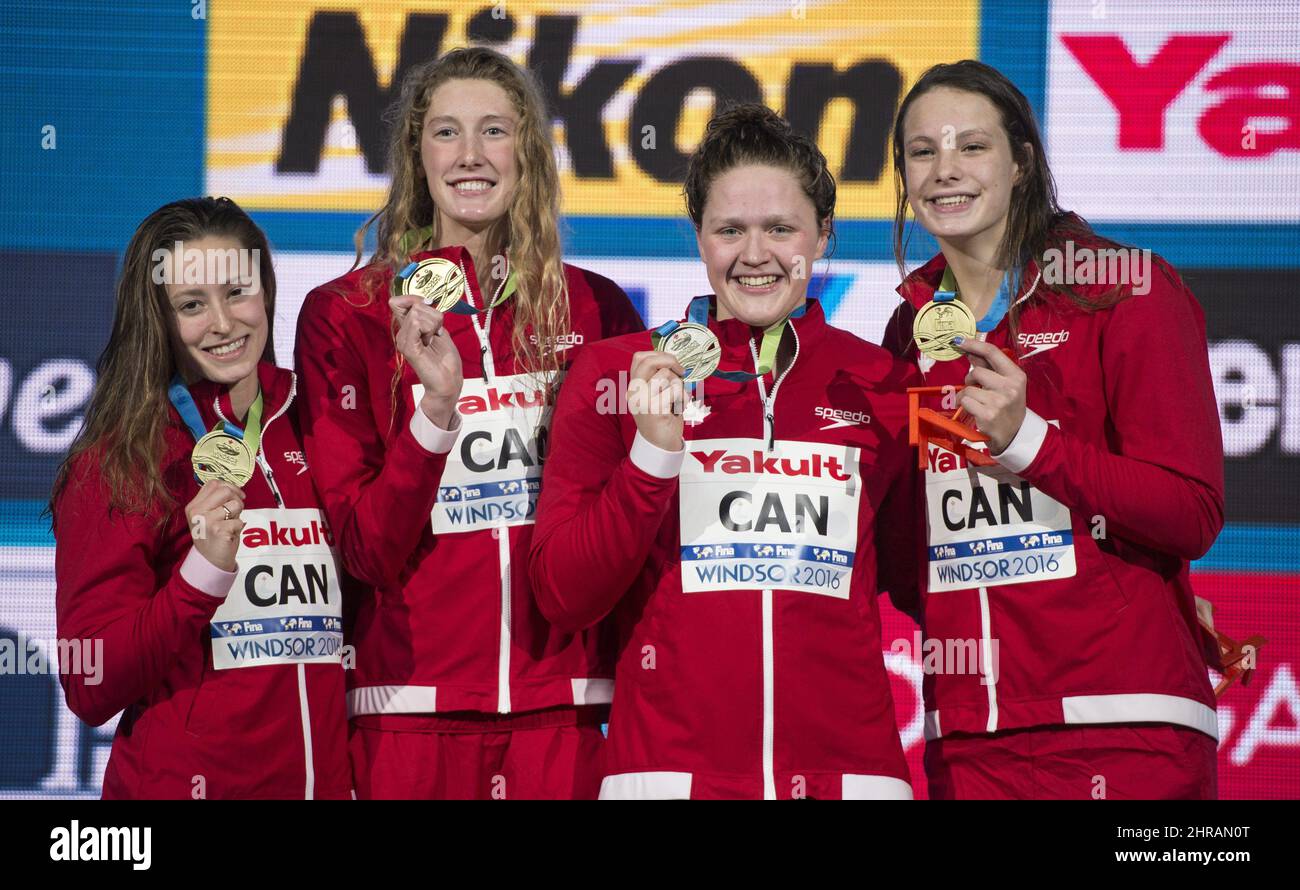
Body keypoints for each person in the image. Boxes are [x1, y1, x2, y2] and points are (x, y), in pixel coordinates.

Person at [530, 104, 921, 800]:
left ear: (823, 235)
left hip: (852, 780)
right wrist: (653, 456)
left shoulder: (881, 384)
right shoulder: (617, 373)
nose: (755, 254)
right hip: (667, 777)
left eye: (781, 229)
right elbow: (565, 592)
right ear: (700, 239)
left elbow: (919, 576)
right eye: (729, 230)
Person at [294, 46, 643, 800]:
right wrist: (435, 415)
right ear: (416, 154)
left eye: (495, 130)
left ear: (529, 153)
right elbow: (365, 550)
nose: (471, 155)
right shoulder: (347, 316)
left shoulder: (596, 310)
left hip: (566, 713)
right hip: (407, 714)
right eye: (446, 133)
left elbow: (621, 524)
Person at [883, 60, 1224, 799]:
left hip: (1126, 727)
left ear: (1022, 163)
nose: (945, 171)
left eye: (971, 147)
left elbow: (1191, 510)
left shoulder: (1122, 290)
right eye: (922, 151)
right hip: (971, 738)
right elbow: (923, 553)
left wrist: (1029, 443)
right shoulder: (910, 334)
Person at [51, 197, 351, 799]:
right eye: (192, 305)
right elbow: (90, 685)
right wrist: (200, 577)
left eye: (237, 291)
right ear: (158, 319)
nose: (223, 322)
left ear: (266, 289)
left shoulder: (318, 418)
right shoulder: (124, 458)